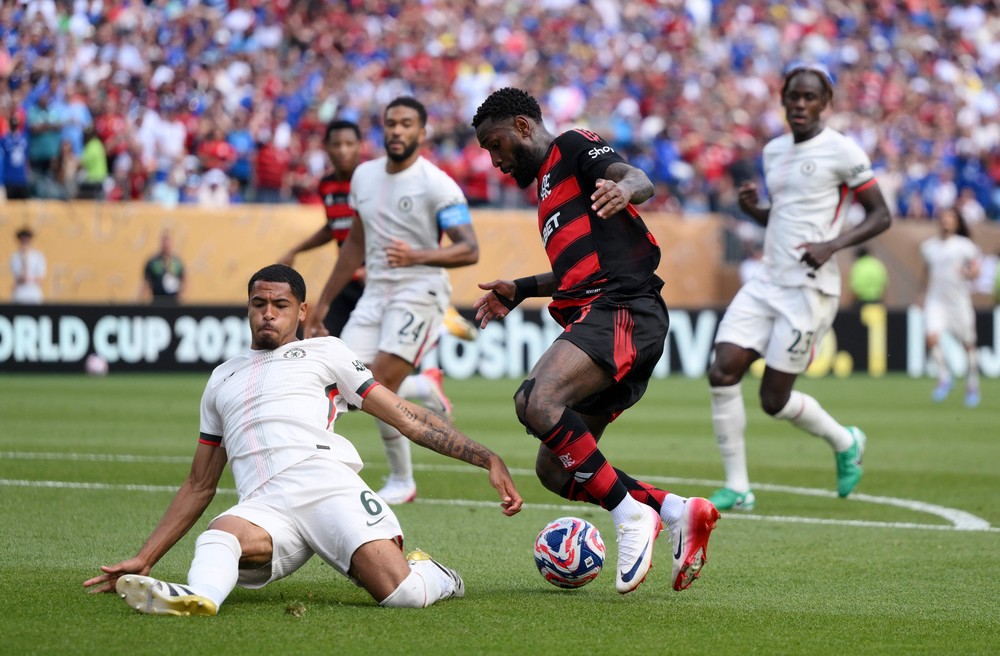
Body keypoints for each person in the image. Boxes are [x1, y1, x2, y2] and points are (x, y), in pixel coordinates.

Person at [82, 264, 522, 615]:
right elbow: (200, 484)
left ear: (302, 312)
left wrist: (487, 458)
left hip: (327, 485)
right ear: (248, 308)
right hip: (265, 507)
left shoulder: (326, 352)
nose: (268, 313)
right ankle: (200, 599)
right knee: (218, 534)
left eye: (280, 304)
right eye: (259, 304)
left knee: (401, 594)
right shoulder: (221, 378)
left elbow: (405, 417)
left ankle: (438, 575)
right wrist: (146, 557)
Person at [470, 87, 719, 595]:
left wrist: (626, 189)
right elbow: (573, 272)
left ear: (521, 126)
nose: (494, 161)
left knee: (536, 400)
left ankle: (631, 517)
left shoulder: (573, 145)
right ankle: (677, 511)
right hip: (599, 312)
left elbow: (637, 177)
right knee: (556, 471)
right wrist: (520, 289)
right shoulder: (544, 192)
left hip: (625, 307)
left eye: (495, 145)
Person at [706, 63, 892, 512]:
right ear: (784, 100)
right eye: (794, 97)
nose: (801, 105)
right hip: (767, 280)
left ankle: (845, 441)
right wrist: (755, 212)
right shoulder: (773, 152)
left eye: (810, 98)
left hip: (809, 289)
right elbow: (786, 218)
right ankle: (738, 487)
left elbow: (881, 214)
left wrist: (833, 245)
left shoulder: (842, 151)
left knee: (774, 400)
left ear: (825, 103)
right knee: (722, 369)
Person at [303, 98, 480, 506]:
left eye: (406, 124)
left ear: (422, 133)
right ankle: (422, 386)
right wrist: (323, 303)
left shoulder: (436, 184)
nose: (397, 130)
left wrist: (417, 254)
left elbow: (469, 249)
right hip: (375, 293)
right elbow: (355, 244)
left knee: (377, 385)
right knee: (336, 377)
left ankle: (402, 481)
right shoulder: (364, 176)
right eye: (391, 124)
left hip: (420, 290)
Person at [920, 206, 982, 407]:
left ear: (956, 222)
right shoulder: (929, 247)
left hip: (958, 302)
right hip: (936, 300)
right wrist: (921, 293)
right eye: (943, 218)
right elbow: (927, 272)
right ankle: (945, 377)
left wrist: (967, 274)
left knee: (968, 344)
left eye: (950, 218)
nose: (946, 221)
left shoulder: (965, 246)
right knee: (931, 337)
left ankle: (972, 384)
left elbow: (975, 271)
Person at [141, 230, 186, 305]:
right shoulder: (153, 262)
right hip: (157, 301)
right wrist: (143, 299)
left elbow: (184, 281)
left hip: (173, 302)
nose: (166, 243)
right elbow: (146, 283)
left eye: (168, 240)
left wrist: (181, 297)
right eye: (164, 240)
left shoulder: (177, 262)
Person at [10, 227, 46, 304]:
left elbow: (40, 278)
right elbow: (20, 277)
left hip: (34, 295)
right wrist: (25, 258)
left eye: (27, 239)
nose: (25, 241)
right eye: (22, 239)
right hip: (20, 295)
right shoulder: (15, 257)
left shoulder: (38, 256)